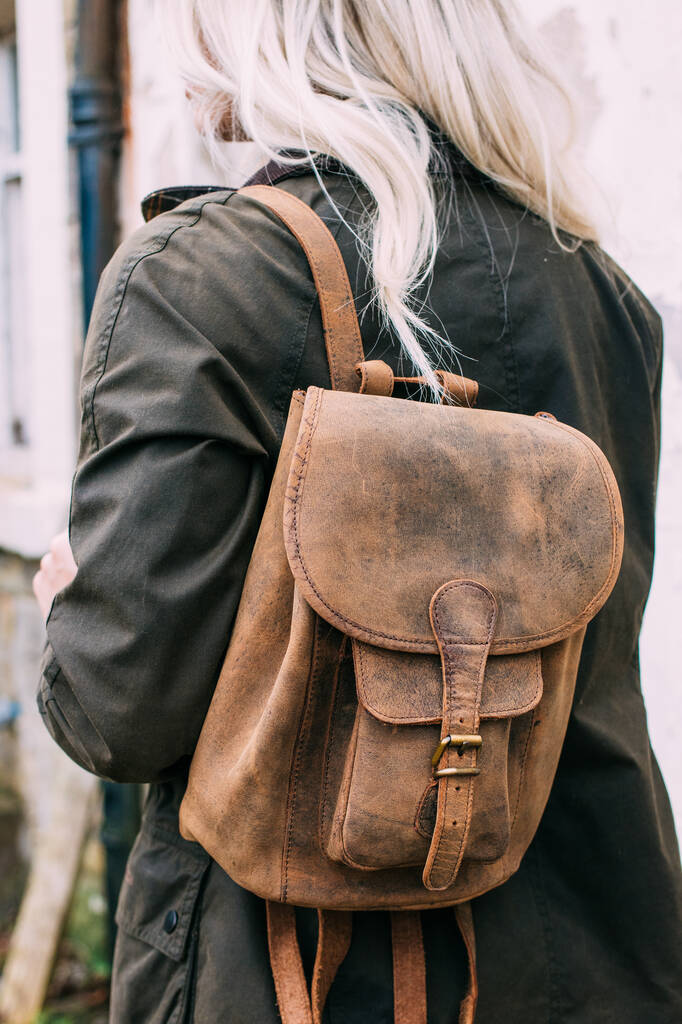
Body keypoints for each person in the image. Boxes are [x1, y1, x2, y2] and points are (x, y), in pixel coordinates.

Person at [33, 2, 682, 1022]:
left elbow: (116, 711)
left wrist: (74, 595)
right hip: (587, 955)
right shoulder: (607, 302)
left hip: (287, 978)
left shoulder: (198, 281)